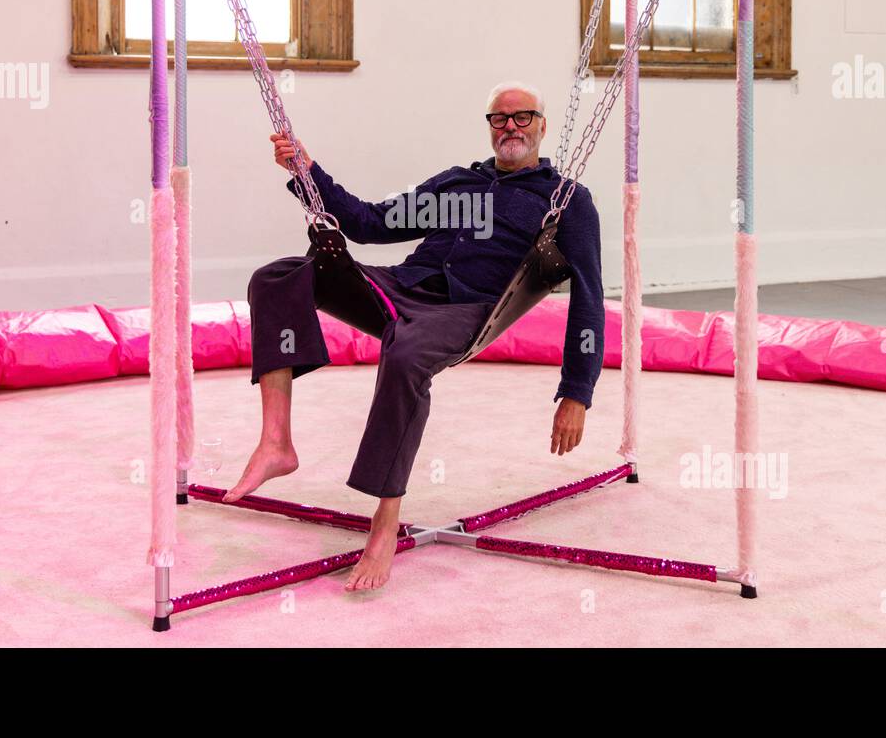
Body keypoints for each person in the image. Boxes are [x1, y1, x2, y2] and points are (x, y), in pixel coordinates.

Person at [224, 81, 604, 592]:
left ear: (542, 124)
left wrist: (576, 392)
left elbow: (589, 298)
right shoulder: (456, 184)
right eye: (499, 118)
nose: (510, 127)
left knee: (405, 354)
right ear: (489, 127)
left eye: (522, 117)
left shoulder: (566, 202)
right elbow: (368, 222)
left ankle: (384, 524)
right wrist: (306, 172)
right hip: (402, 287)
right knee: (277, 276)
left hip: (468, 310)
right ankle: (276, 442)